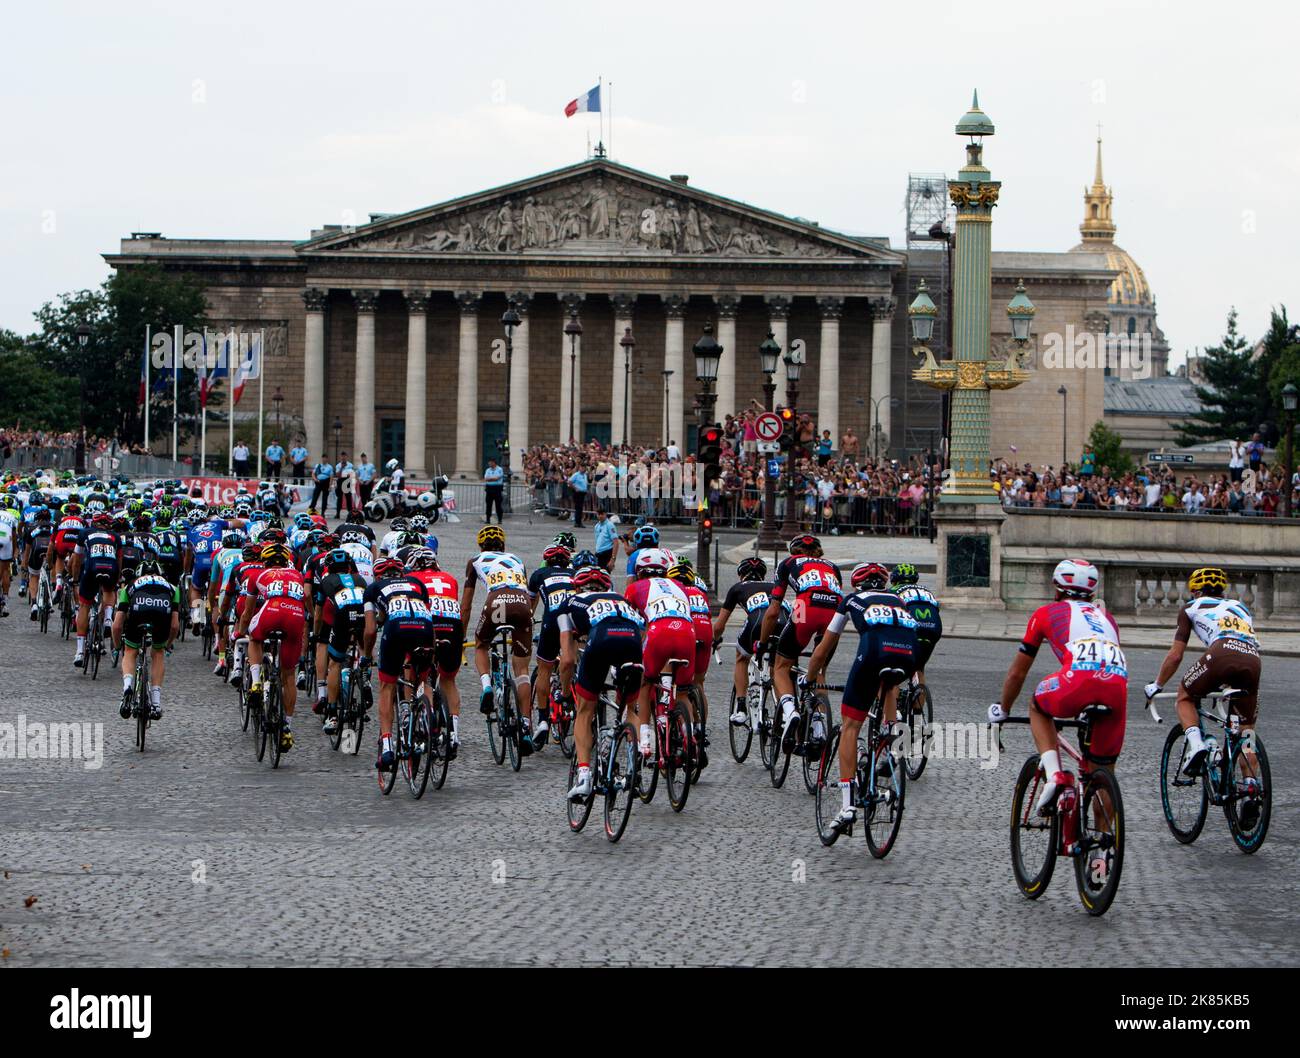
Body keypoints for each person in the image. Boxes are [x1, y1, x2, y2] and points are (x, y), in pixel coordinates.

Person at [988, 559, 1127, 845]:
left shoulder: (1046, 613)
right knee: (1102, 772)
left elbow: (1018, 672)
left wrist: (1003, 709)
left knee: (1038, 706)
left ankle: (1054, 776)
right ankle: (1100, 860)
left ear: (1056, 587)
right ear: (1091, 591)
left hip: (1077, 680)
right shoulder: (1108, 618)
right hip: (1116, 686)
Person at [804, 562, 917, 833]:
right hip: (909, 653)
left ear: (857, 584)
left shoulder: (851, 600)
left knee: (850, 726)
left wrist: (808, 678)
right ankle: (891, 746)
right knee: (890, 684)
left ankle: (847, 806)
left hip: (875, 653)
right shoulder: (899, 600)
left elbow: (822, 649)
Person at [1145, 568, 1262, 800]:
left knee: (1185, 696)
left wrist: (1156, 684)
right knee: (1246, 729)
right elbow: (1241, 643)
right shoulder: (1242, 608)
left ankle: (1197, 744)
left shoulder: (1190, 608)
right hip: (1252, 659)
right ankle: (1251, 788)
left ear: (1195, 591)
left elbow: (1175, 656)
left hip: (1221, 654)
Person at [559, 565, 645, 800]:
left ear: (577, 586)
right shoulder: (621, 599)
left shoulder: (570, 602)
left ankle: (584, 777)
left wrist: (566, 694)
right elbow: (642, 632)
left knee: (584, 711)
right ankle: (634, 769)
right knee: (630, 708)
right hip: (633, 642)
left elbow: (567, 660)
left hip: (600, 641)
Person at [758, 534, 843, 752]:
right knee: (819, 667)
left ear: (794, 552)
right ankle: (818, 726)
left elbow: (773, 611)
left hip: (805, 606)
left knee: (781, 666)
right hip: (834, 613)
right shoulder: (833, 567)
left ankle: (790, 711)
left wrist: (763, 642)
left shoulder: (788, 563)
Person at [460, 525, 538, 750]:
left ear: (481, 545)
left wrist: (462, 638)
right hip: (522, 604)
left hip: (497, 602)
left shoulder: (475, 560)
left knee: (482, 645)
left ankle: (486, 687)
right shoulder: (517, 559)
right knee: (521, 671)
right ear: (503, 545)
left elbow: (466, 605)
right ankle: (525, 727)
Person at [363, 558, 435, 770]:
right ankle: (425, 721)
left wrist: (367, 655)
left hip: (396, 628)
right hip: (425, 628)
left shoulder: (373, 588)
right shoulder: (417, 584)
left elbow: (369, 630)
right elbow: (426, 615)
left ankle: (387, 747)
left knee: (387, 685)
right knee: (423, 677)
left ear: (378, 576)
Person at [623, 548, 695, 759]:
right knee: (682, 692)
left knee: (645, 684)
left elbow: (631, 625)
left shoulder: (635, 587)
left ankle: (645, 740)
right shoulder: (681, 586)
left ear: (640, 572)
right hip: (686, 634)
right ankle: (688, 735)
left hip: (659, 633)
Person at [238, 542, 309, 754]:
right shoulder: (297, 574)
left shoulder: (257, 575)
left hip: (272, 611)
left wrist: (240, 632)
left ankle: (257, 682)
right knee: (288, 675)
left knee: (254, 638)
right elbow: (306, 599)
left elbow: (247, 612)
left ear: (265, 561)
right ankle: (287, 727)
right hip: (295, 617)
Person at [404, 548, 465, 758]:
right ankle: (454, 734)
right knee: (448, 680)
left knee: (421, 675)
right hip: (453, 626)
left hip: (428, 624)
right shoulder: (449, 578)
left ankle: (425, 722)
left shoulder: (410, 578)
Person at [111, 556, 180, 721]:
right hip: (162, 614)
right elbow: (175, 625)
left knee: (130, 651)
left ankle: (128, 686)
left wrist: (117, 646)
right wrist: (168, 645)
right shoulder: (173, 588)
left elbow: (117, 625)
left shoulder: (130, 586)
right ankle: (156, 703)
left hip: (138, 610)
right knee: (157, 653)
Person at [713, 557, 776, 728]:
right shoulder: (774, 586)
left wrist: (715, 640)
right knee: (780, 666)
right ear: (763, 575)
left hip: (757, 622)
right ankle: (784, 706)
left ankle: (741, 708)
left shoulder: (738, 588)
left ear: (741, 574)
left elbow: (719, 625)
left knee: (742, 657)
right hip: (781, 622)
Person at [527, 544, 574, 745]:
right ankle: (569, 693)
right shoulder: (575, 573)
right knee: (573, 656)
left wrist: (527, 623)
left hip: (551, 621)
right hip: (575, 620)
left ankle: (543, 720)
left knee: (544, 668)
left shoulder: (539, 574)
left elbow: (530, 606)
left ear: (547, 561)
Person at [71, 513, 121, 668]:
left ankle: (79, 651)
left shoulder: (85, 533)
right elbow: (119, 561)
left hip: (92, 569)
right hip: (110, 568)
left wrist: (75, 578)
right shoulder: (115, 536)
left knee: (84, 605)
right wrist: (116, 580)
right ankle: (107, 618)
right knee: (109, 590)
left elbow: (77, 558)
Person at [890, 563, 942, 684]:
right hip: (933, 629)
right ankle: (919, 699)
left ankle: (892, 699)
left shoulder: (893, 591)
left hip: (911, 629)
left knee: (893, 673)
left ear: (894, 580)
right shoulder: (927, 591)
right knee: (919, 668)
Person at [592, 507, 618, 572]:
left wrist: (613, 559)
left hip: (607, 553)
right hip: (599, 553)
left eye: (602, 514)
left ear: (605, 514)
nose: (600, 516)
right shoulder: (597, 526)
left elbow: (616, 542)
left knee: (604, 577)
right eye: (598, 514)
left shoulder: (610, 525)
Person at [483, 458, 505, 524]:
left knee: (498, 505)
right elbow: (486, 478)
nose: (489, 464)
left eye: (490, 462)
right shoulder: (487, 470)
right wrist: (493, 479)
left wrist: (491, 479)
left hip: (497, 489)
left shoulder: (500, 469)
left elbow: (497, 478)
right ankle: (488, 519)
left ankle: (500, 519)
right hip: (489, 489)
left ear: (494, 463)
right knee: (488, 505)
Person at [568, 463, 589, 528]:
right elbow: (569, 481)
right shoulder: (576, 474)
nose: (583, 469)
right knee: (578, 508)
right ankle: (577, 522)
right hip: (578, 493)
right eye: (581, 467)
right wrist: (575, 488)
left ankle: (579, 521)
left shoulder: (585, 475)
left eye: (584, 468)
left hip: (583, 493)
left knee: (580, 508)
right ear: (579, 468)